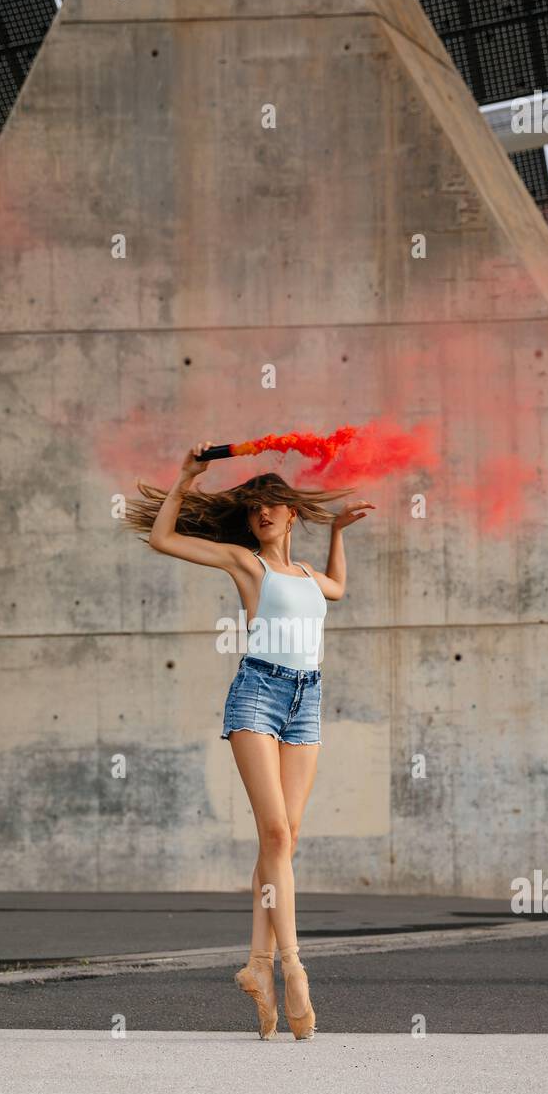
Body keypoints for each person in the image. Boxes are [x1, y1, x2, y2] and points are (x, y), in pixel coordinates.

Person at [127, 442, 374, 1039]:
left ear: (293, 514)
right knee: (274, 834)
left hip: (307, 700)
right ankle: (292, 968)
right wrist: (186, 477)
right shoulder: (247, 563)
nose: (263, 513)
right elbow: (164, 540)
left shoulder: (311, 577)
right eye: (255, 507)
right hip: (258, 694)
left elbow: (338, 588)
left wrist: (338, 532)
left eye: (273, 505)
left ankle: (256, 968)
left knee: (285, 843)